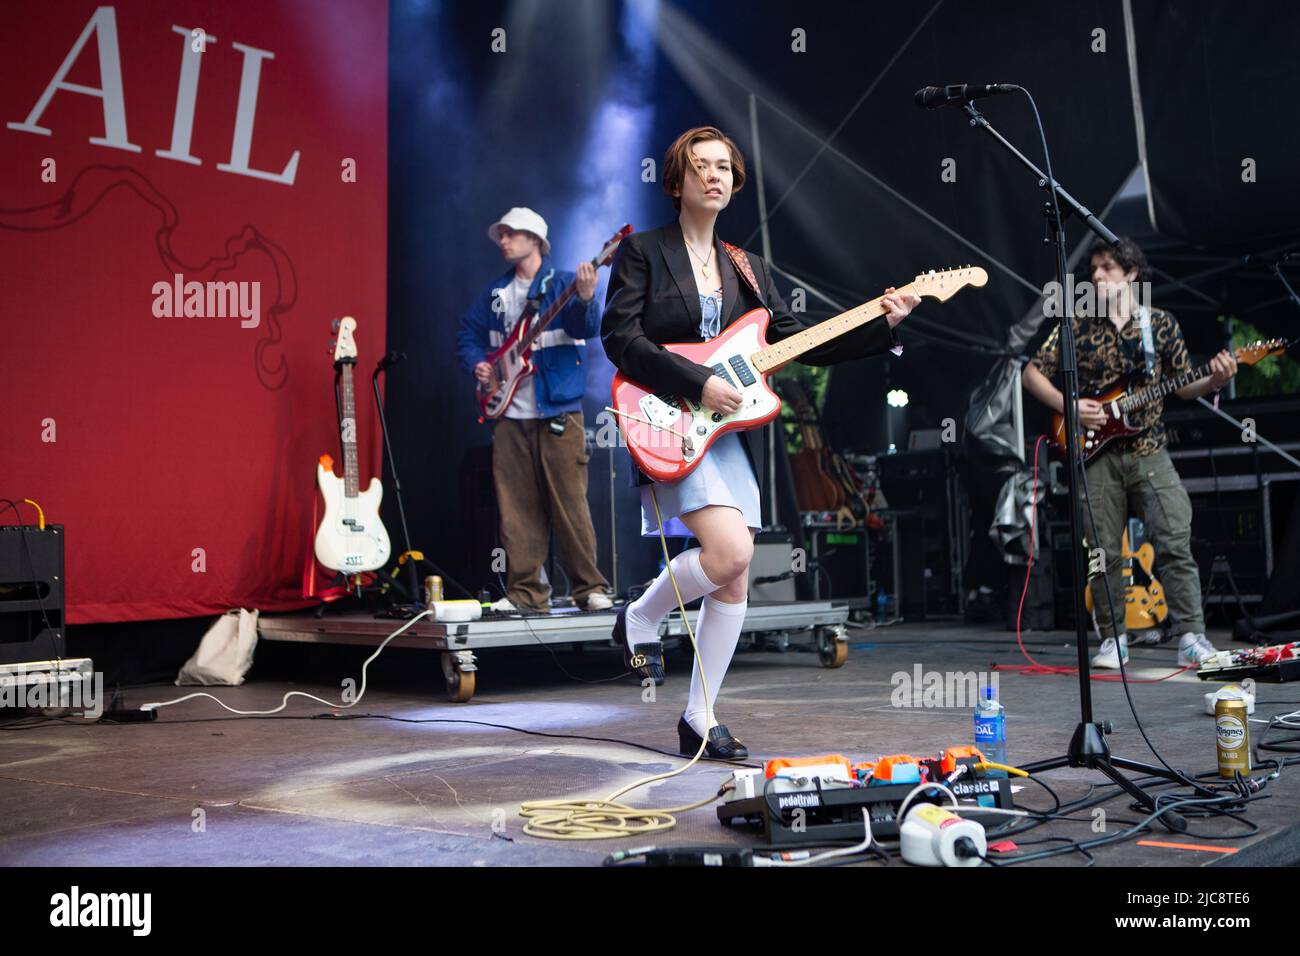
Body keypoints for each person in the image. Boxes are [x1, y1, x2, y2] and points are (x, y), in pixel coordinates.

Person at [601, 127, 919, 758]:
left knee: (734, 578)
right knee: (729, 553)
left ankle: (699, 716)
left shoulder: (747, 265)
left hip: (723, 431)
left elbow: (807, 343)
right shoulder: (641, 253)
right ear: (677, 181)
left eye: (725, 167)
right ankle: (640, 616)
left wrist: (881, 325)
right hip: (669, 414)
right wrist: (701, 380)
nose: (716, 176)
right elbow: (621, 340)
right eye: (702, 167)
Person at [1022, 237, 1238, 668]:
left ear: (1132, 275)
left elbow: (1182, 384)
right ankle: (1114, 638)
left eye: (1107, 269)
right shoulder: (1077, 325)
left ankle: (1191, 636)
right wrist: (1071, 406)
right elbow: (1031, 373)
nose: (1097, 276)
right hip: (1096, 454)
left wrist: (1214, 381)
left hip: (1149, 449)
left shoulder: (1159, 324)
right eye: (1095, 269)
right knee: (1102, 550)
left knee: (1175, 538)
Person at [456, 207, 613, 614]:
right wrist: (478, 363)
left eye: (512, 234)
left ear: (535, 241)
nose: (504, 241)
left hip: (558, 410)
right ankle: (526, 593)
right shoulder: (496, 293)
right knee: (516, 508)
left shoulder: (563, 283)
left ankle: (589, 588)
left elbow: (586, 329)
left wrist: (586, 298)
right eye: (503, 234)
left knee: (569, 502)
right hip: (510, 416)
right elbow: (467, 334)